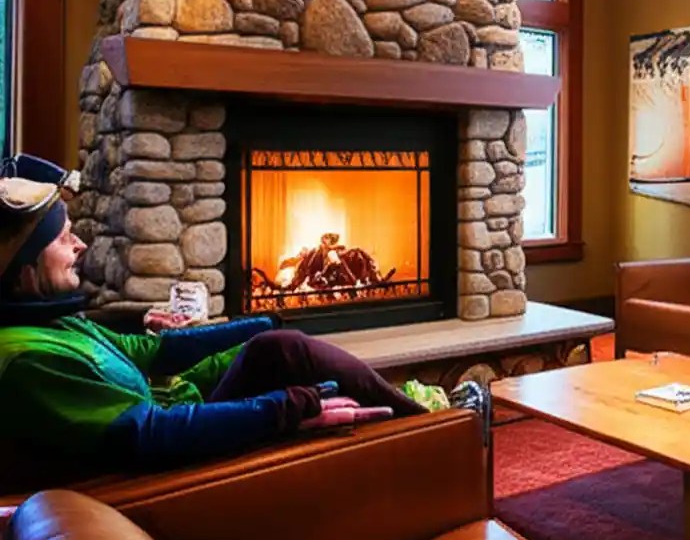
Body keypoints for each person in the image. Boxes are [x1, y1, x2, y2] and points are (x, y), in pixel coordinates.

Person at [0, 155, 487, 471]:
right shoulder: (26, 360)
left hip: (178, 403)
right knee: (286, 355)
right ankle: (443, 426)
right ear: (23, 269)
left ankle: (430, 421)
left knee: (274, 345)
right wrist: (286, 407)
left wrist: (260, 321)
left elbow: (154, 350)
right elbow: (149, 434)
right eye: (63, 238)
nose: (80, 245)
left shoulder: (49, 321)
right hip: (171, 459)